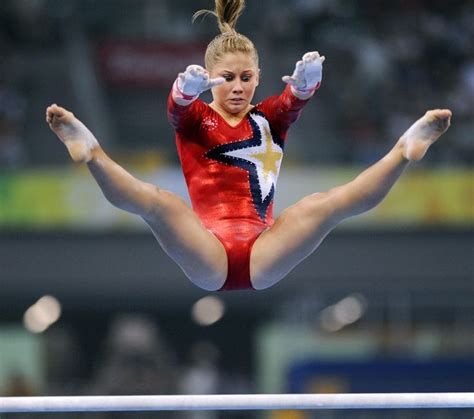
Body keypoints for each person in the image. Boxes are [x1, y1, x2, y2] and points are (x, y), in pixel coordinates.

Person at [46, 0, 451, 293]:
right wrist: (184, 89)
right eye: (226, 78)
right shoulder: (196, 119)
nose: (237, 87)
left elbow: (293, 103)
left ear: (258, 77)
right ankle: (91, 153)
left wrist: (307, 81)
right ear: (210, 77)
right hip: (208, 253)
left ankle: (403, 151)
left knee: (323, 205)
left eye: (246, 77)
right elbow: (176, 111)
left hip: (264, 252)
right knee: (159, 203)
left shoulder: (269, 118)